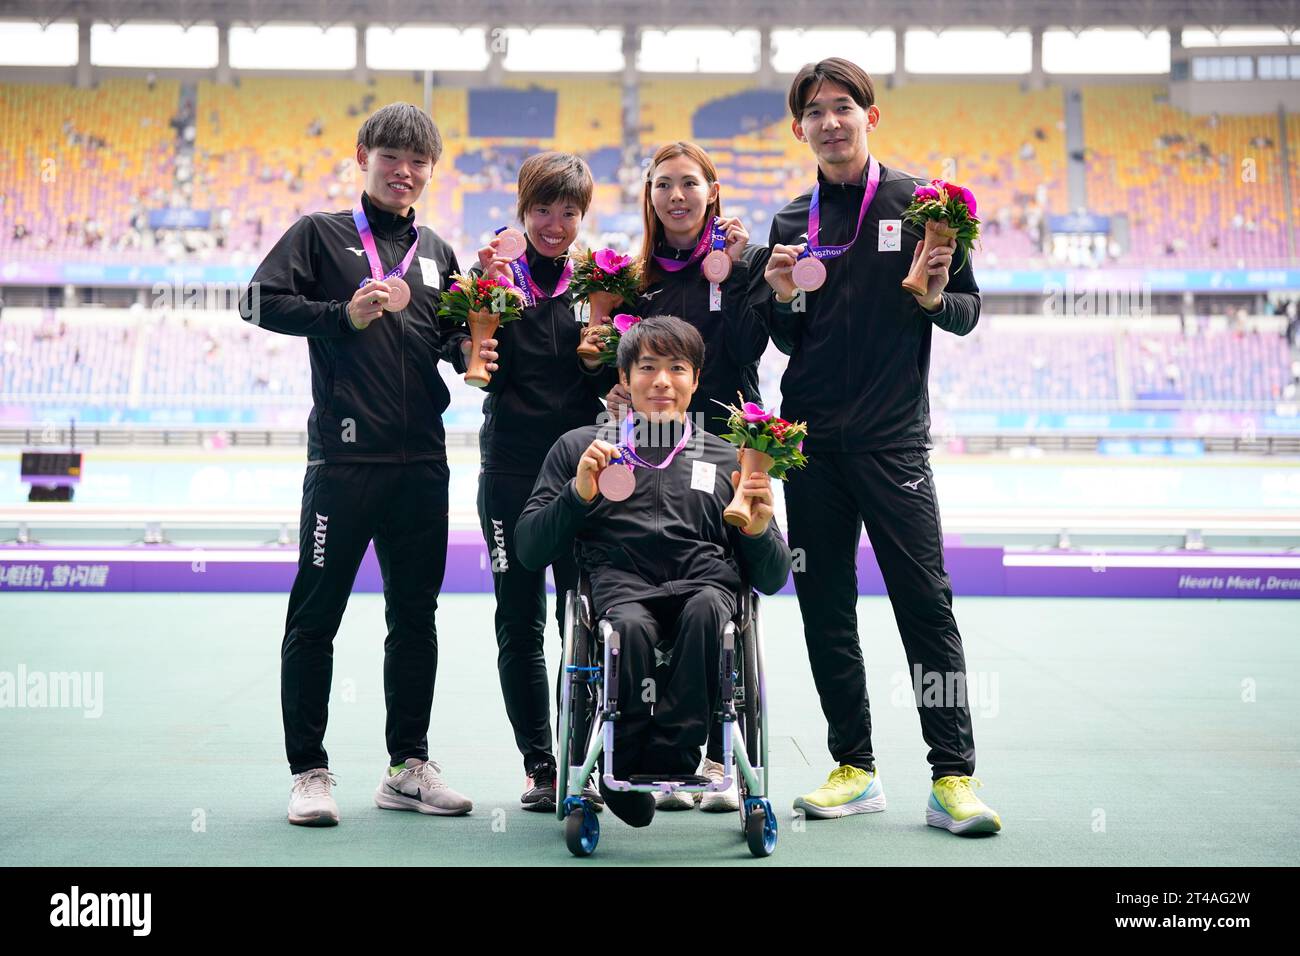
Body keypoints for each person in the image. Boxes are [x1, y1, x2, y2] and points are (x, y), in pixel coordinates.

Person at [761, 58, 1001, 834]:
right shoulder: (792, 220)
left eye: (844, 108)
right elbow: (785, 335)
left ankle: (953, 777)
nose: (831, 122)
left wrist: (933, 296)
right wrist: (782, 298)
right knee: (825, 607)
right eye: (815, 113)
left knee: (925, 607)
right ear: (799, 129)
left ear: (872, 115)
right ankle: (854, 766)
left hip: (893, 445)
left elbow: (965, 310)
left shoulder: (924, 206)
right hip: (811, 445)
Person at [242, 102, 482, 827]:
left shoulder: (439, 250)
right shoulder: (319, 235)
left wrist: (473, 353)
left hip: (422, 464)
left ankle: (408, 766)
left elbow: (453, 341)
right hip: (344, 464)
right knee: (315, 618)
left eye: (418, 163)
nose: (404, 172)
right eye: (391, 158)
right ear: (362, 157)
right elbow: (257, 300)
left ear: (431, 171)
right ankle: (309, 771)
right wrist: (338, 315)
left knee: (416, 617)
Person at [515, 316, 791, 828]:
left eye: (677, 368)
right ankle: (627, 756)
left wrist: (756, 531)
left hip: (704, 587)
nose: (662, 381)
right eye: (647, 367)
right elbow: (530, 548)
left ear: (696, 380)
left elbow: (773, 579)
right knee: (629, 630)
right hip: (620, 590)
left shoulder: (730, 455)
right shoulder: (582, 448)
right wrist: (577, 496)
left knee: (711, 609)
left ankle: (665, 756)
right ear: (624, 376)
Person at [613, 141, 773, 811]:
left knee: (720, 597)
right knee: (653, 598)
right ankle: (654, 743)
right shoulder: (636, 278)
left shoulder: (743, 267)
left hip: (724, 458)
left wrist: (734, 276)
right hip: (652, 454)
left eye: (688, 184)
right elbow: (622, 369)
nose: (676, 196)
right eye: (662, 186)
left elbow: (748, 349)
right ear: (649, 198)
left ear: (712, 191)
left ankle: (716, 756)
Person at [455, 151, 609, 813]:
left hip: (583, 471)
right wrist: (471, 335)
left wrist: (604, 358)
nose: (555, 222)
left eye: (569, 210)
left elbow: (615, 379)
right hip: (511, 472)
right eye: (544, 208)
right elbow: (468, 360)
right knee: (518, 624)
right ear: (522, 207)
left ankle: (586, 759)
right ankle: (541, 766)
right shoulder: (489, 275)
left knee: (585, 619)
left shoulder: (599, 281)